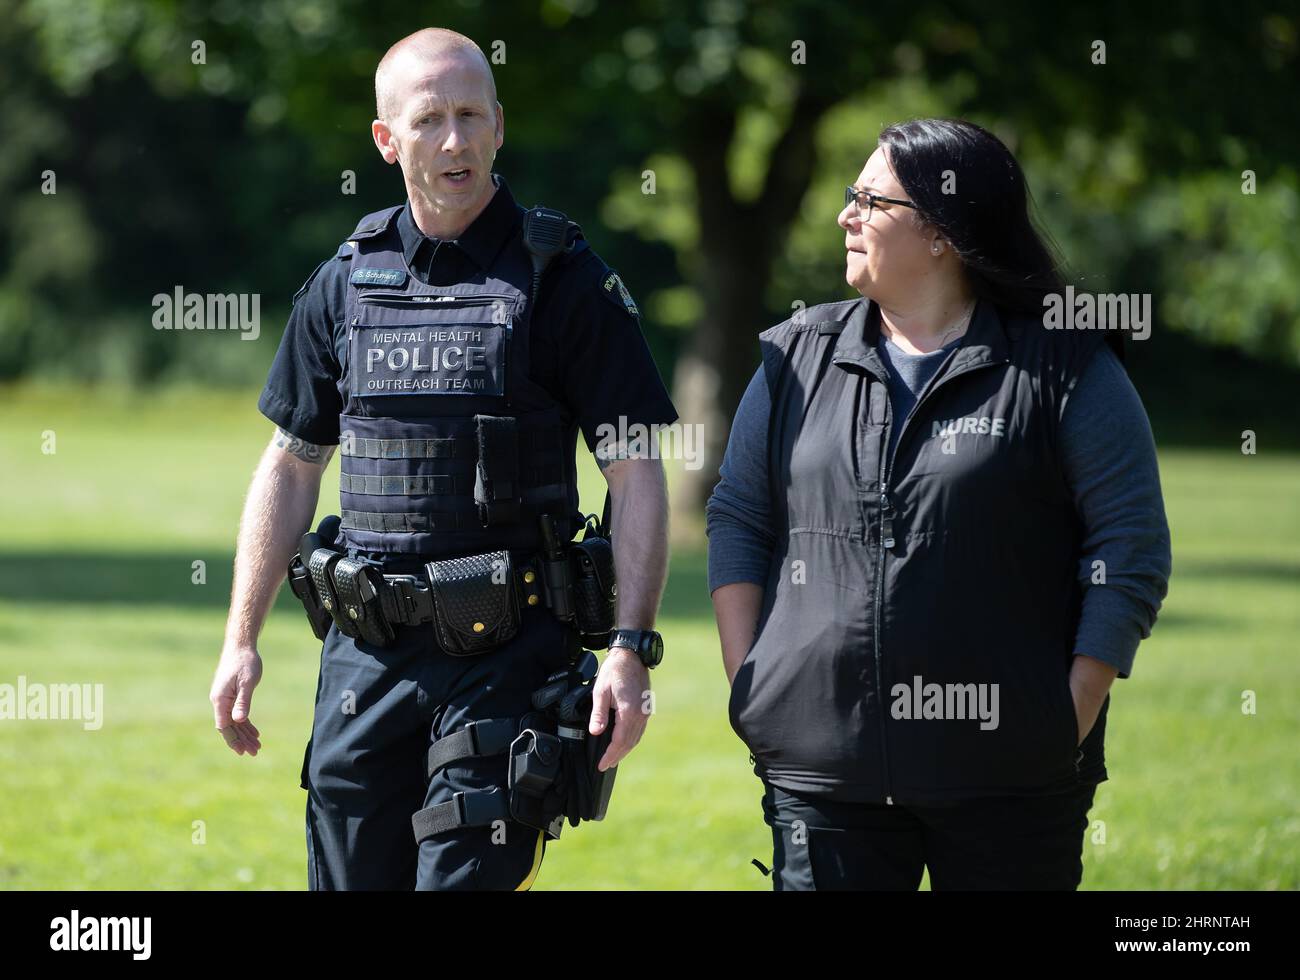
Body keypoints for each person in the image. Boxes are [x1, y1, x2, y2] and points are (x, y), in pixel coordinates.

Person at [209, 28, 674, 891]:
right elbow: (291, 465)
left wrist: (630, 648)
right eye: (429, 120)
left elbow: (636, 470)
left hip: (508, 658)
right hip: (364, 660)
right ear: (387, 140)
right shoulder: (345, 282)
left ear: (500, 126)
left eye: (471, 116)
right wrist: (241, 640)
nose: (454, 141)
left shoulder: (563, 279)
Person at [706, 117, 1171, 890]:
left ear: (942, 234)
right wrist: (751, 678)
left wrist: (1070, 711)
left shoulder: (1064, 364)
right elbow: (740, 517)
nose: (845, 215)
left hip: (1010, 775)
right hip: (824, 773)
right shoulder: (795, 355)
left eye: (870, 200)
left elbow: (1128, 546)